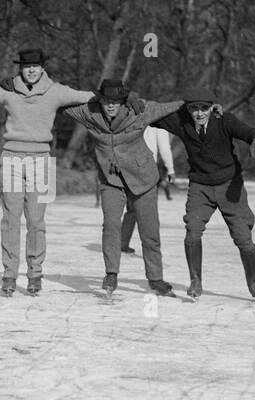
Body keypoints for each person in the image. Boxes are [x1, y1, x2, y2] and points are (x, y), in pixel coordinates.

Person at [0, 48, 93, 296]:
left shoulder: (56, 91)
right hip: (12, 158)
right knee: (11, 218)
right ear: (20, 69)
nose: (31, 70)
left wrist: (120, 98)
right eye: (27, 67)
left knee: (36, 220)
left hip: (41, 162)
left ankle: (35, 273)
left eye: (35, 66)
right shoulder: (8, 90)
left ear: (42, 67)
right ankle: (9, 274)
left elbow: (87, 96)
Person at [61, 80, 183, 295]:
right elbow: (56, 100)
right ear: (100, 101)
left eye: (116, 102)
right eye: (107, 101)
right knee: (110, 224)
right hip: (111, 180)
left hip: (143, 179)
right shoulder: (89, 113)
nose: (111, 106)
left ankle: (156, 279)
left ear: (123, 102)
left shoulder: (139, 110)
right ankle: (111, 274)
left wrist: (208, 105)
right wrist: (18, 87)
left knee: (149, 231)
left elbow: (172, 106)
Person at [152, 91, 255, 301]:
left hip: (229, 184)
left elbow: (251, 132)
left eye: (204, 108)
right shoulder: (182, 122)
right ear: (188, 109)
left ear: (212, 107)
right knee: (193, 231)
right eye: (194, 108)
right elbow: (152, 115)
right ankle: (195, 280)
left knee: (243, 236)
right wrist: (134, 106)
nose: (199, 114)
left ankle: (254, 283)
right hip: (200, 187)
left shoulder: (224, 120)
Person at [120, 123, 176, 254]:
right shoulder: (159, 124)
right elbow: (164, 147)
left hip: (129, 166)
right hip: (148, 168)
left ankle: (122, 242)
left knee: (132, 208)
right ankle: (150, 247)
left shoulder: (130, 121)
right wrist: (171, 169)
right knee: (149, 210)